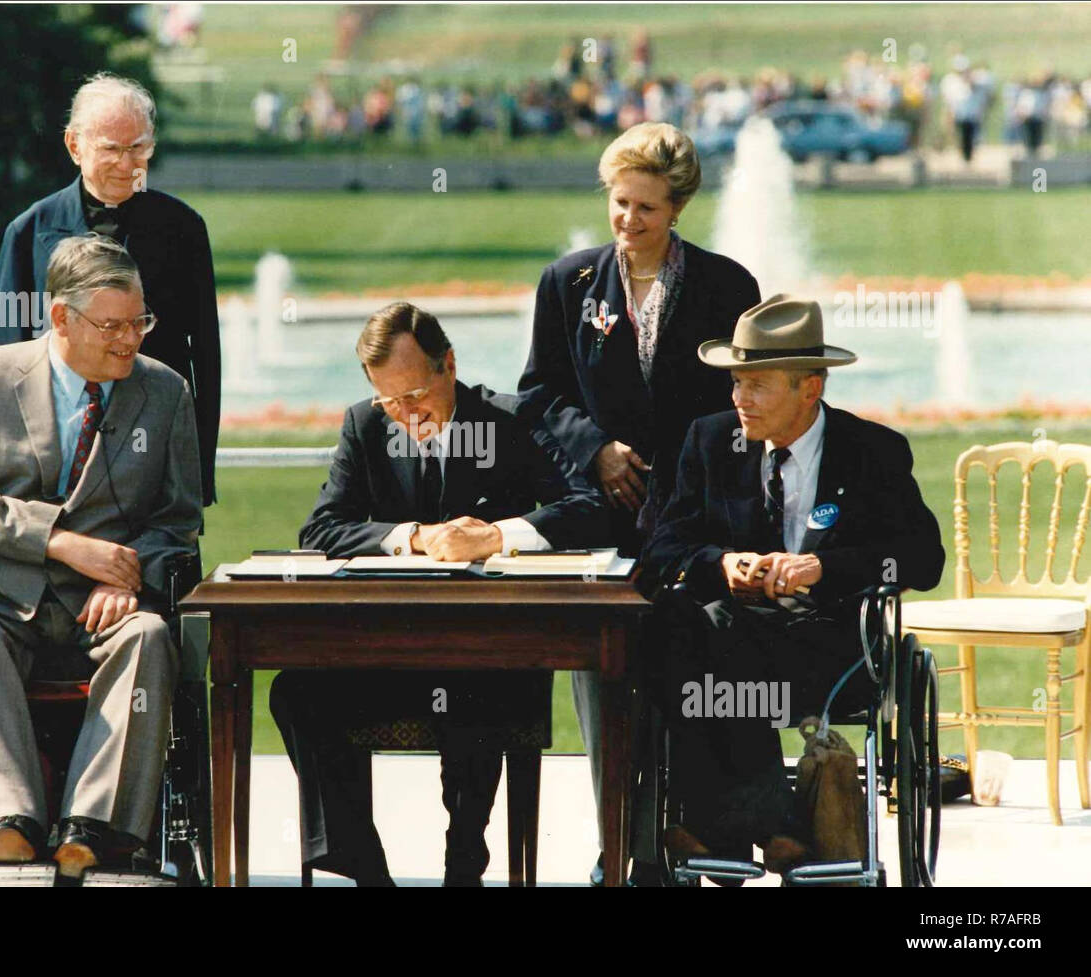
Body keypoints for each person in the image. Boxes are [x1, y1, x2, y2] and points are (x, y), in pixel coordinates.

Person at [270, 301, 607, 886]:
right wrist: (414, 538)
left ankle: (463, 865)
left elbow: (587, 508)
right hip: (389, 655)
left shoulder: (510, 420)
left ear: (448, 364)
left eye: (416, 395)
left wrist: (496, 537)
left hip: (489, 658)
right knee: (297, 692)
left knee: (473, 691)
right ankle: (363, 870)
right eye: (390, 401)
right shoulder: (365, 424)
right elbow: (321, 528)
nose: (406, 415)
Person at [516, 120, 760, 883]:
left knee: (694, 661)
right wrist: (595, 447)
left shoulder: (728, 287)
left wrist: (689, 474)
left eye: (646, 208)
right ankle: (620, 843)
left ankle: (702, 835)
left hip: (695, 521)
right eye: (619, 203)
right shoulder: (568, 283)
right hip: (600, 518)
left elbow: (742, 400)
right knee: (604, 677)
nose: (628, 221)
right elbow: (537, 392)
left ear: (678, 207)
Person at [636, 294, 944, 875]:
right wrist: (721, 564)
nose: (739, 399)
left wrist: (825, 568)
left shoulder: (872, 452)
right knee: (680, 623)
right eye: (735, 382)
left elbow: (923, 560)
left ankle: (722, 831)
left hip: (829, 646)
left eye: (757, 384)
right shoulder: (709, 441)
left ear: (811, 388)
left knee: (709, 641)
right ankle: (776, 825)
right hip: (727, 638)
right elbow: (660, 551)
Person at [0, 235, 203, 878]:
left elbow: (179, 518)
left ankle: (93, 827)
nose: (129, 340)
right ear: (61, 318)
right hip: (9, 594)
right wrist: (60, 543)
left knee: (148, 635)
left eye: (140, 322)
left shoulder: (164, 392)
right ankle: (10, 821)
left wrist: (133, 576)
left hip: (110, 605)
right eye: (112, 326)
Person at [0, 73, 221, 509]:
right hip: (53, 465)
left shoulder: (184, 229)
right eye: (111, 149)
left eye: (138, 148)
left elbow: (206, 358)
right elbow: (6, 364)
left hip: (154, 460)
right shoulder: (26, 233)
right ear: (75, 146)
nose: (126, 163)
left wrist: (197, 475)